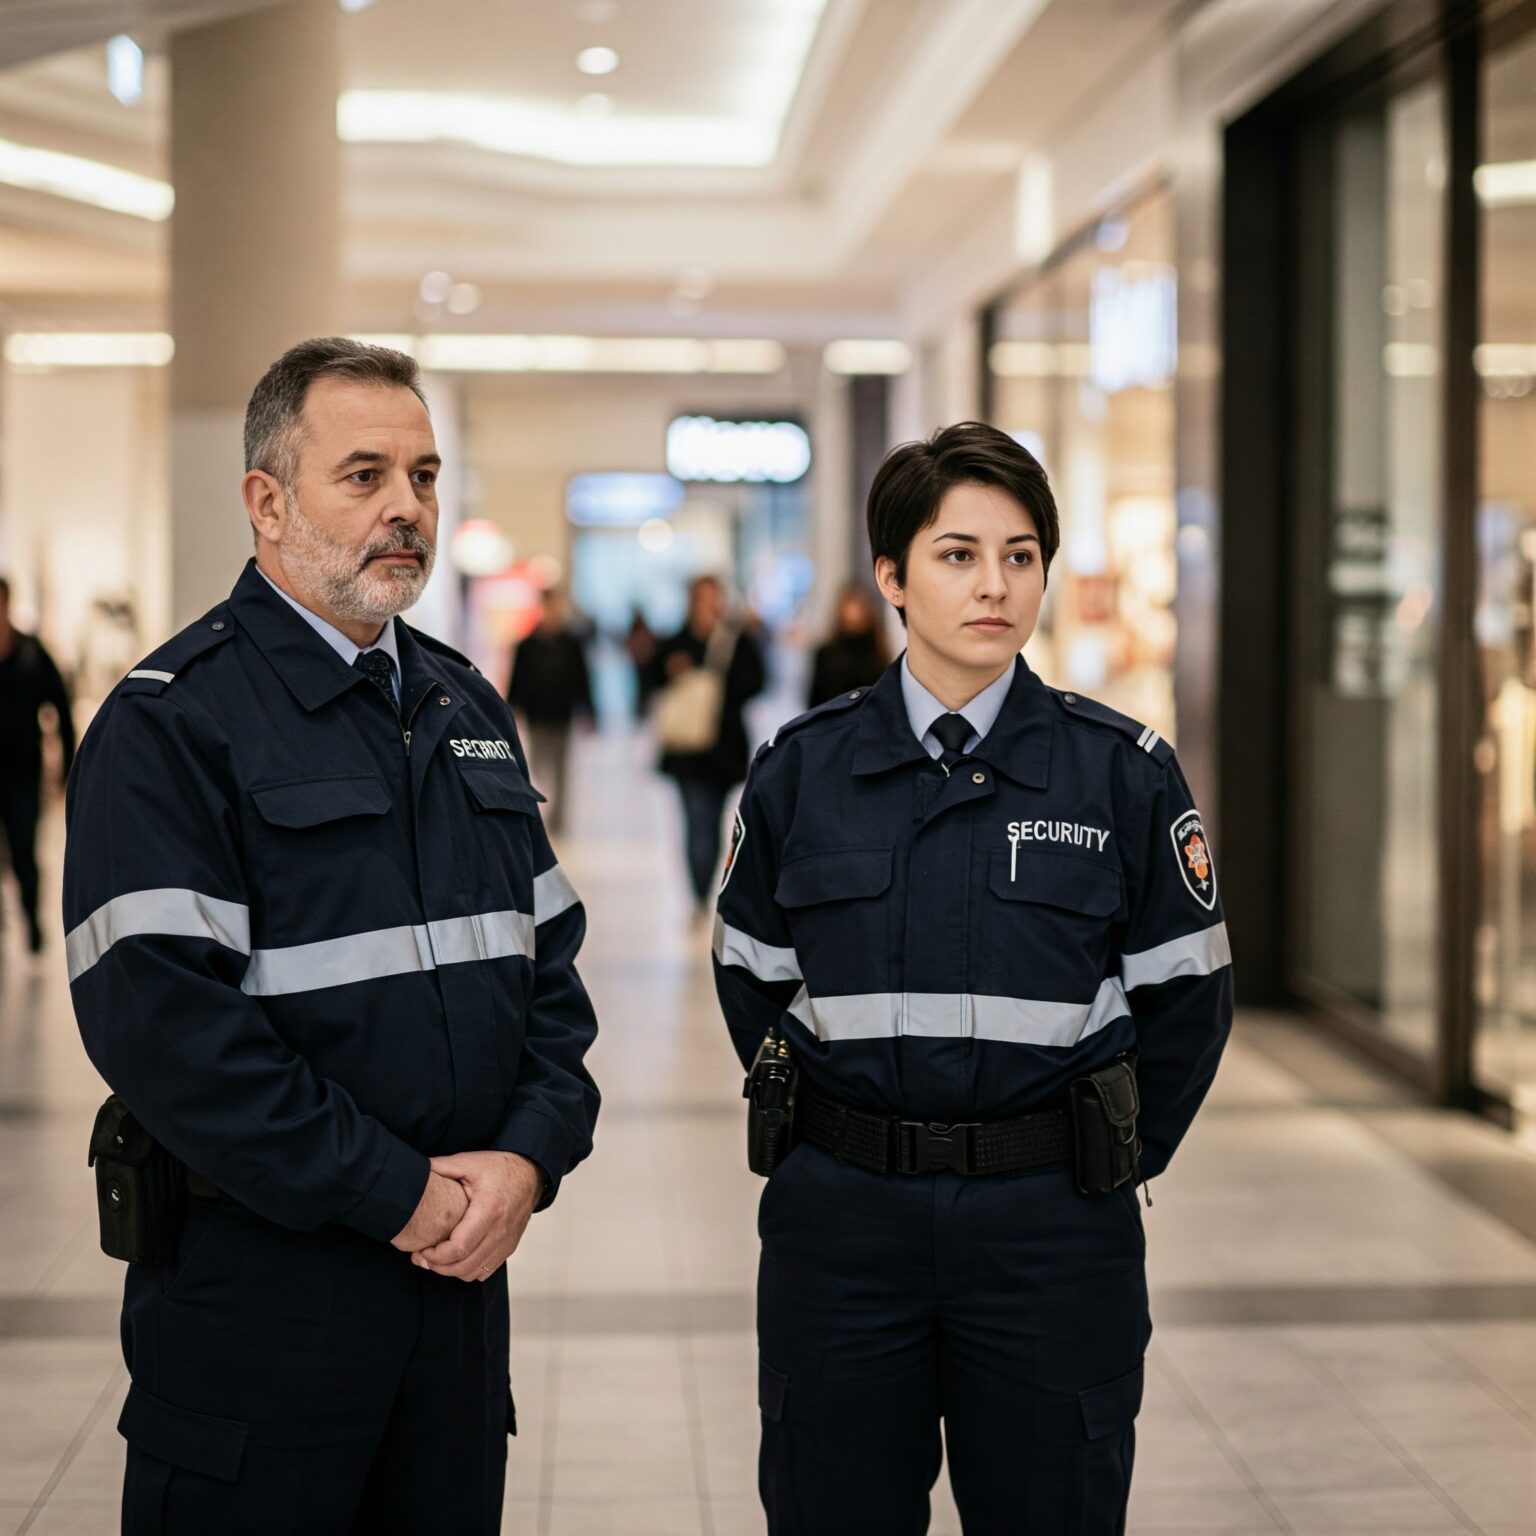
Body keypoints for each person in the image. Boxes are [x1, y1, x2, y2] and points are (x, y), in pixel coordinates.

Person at [63, 338, 601, 1535]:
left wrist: (526, 1160)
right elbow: (167, 1032)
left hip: (455, 1306)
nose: (405, 507)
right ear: (267, 500)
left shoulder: (466, 707)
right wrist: (393, 1191)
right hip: (260, 1302)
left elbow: (552, 986)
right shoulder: (173, 726)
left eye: (422, 476)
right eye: (363, 476)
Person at [713, 421, 1232, 1535]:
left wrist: (1108, 1152)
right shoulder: (804, 771)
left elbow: (1189, 998)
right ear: (892, 575)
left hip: (1052, 1229)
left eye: (1020, 555)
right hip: (843, 1233)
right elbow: (749, 978)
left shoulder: (1120, 774)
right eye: (958, 554)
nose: (994, 585)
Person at [652, 574, 765, 919]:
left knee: (713, 821)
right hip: (687, 750)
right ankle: (699, 889)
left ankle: (704, 885)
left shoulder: (736, 639)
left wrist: (722, 685)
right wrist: (675, 671)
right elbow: (651, 678)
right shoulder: (676, 640)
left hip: (722, 749)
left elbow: (757, 681)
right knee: (695, 820)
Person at [0, 575, 76, 955]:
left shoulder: (31, 654)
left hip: (22, 778)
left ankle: (31, 919)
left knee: (24, 856)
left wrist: (68, 770)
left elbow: (60, 709)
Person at [506, 588, 594, 834]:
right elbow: (518, 679)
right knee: (539, 763)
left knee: (561, 766)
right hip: (537, 713)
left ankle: (558, 816)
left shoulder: (572, 643)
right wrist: (512, 707)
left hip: (562, 713)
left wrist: (588, 709)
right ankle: (541, 809)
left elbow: (582, 678)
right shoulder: (527, 644)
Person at [806, 581, 890, 708]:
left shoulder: (877, 654)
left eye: (857, 609)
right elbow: (815, 698)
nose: (852, 615)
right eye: (849, 608)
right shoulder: (826, 653)